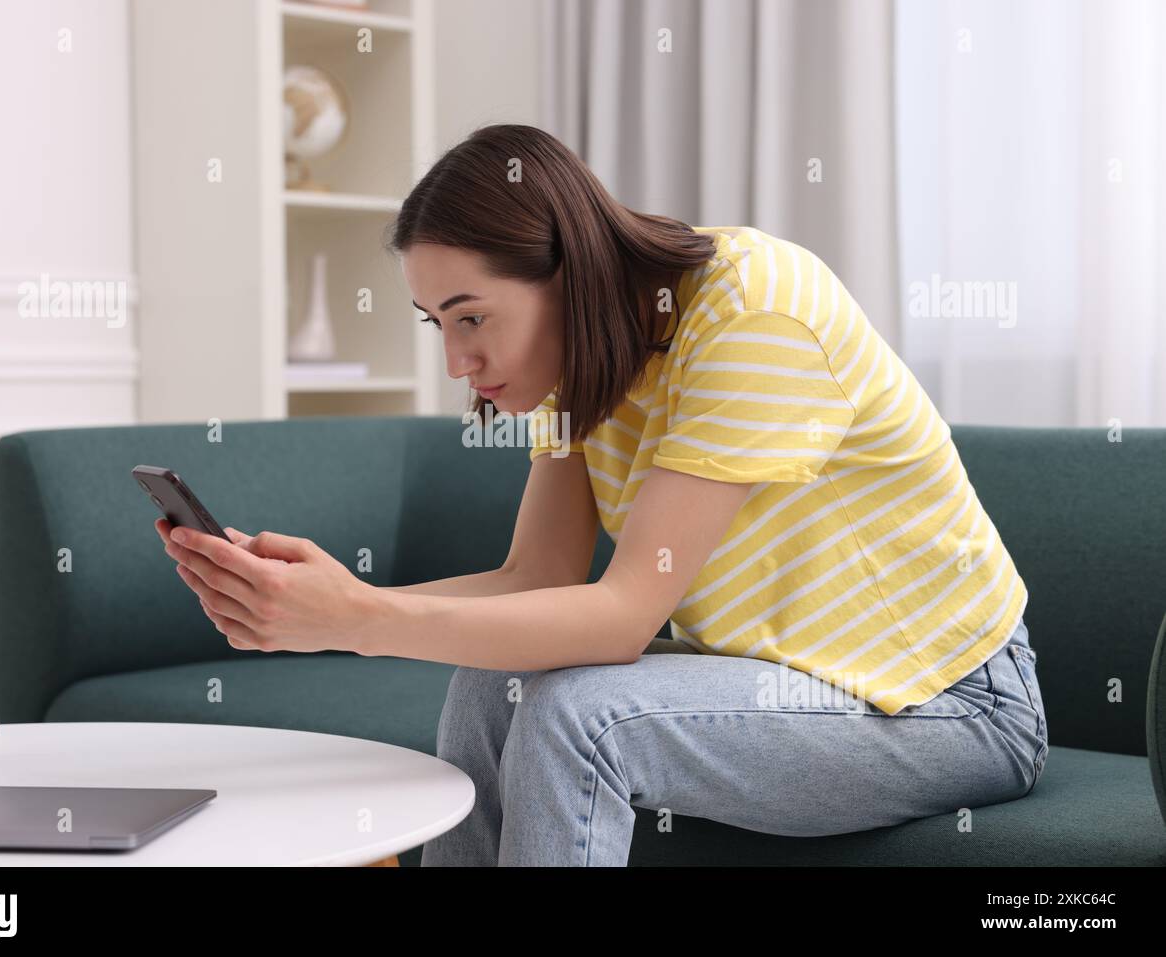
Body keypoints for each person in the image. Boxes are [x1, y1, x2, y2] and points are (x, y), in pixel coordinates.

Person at [156, 123, 1049, 866]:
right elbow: (533, 578)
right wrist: (340, 608)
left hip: (947, 705)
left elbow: (621, 615)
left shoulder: (754, 313)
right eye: (437, 323)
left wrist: (355, 620)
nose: (455, 361)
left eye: (472, 316)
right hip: (787, 679)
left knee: (582, 718)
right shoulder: (581, 369)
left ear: (570, 272)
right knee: (489, 685)